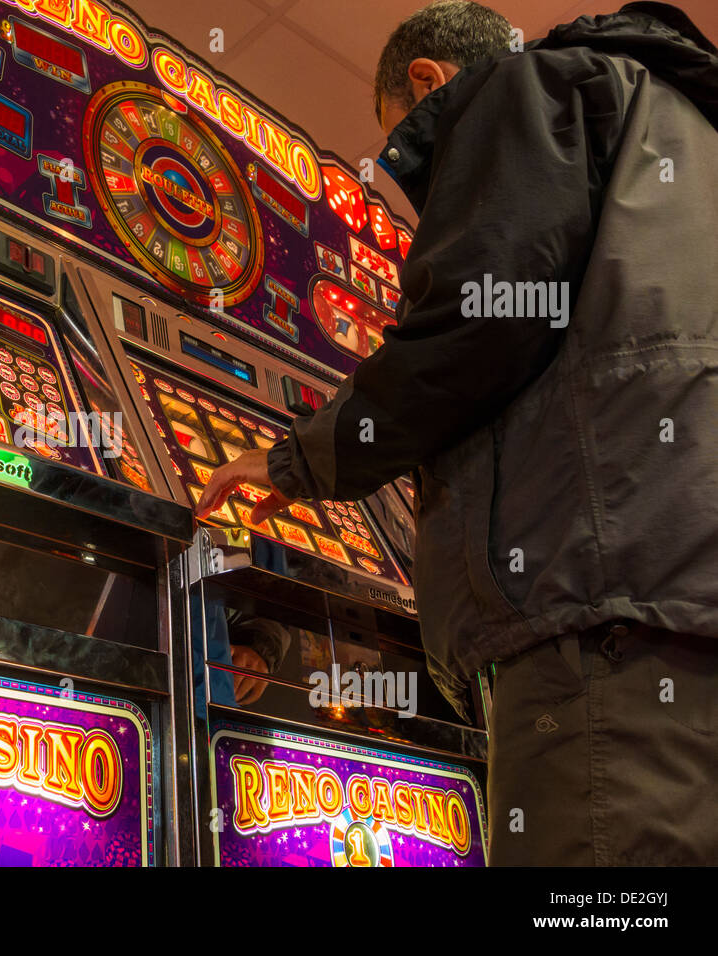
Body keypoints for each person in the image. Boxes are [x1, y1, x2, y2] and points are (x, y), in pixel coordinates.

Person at [197, 1, 718, 865]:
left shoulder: (529, 91)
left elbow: (474, 323)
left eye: (408, 145)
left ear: (428, 82)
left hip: (602, 610)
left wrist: (297, 459)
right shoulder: (684, 130)